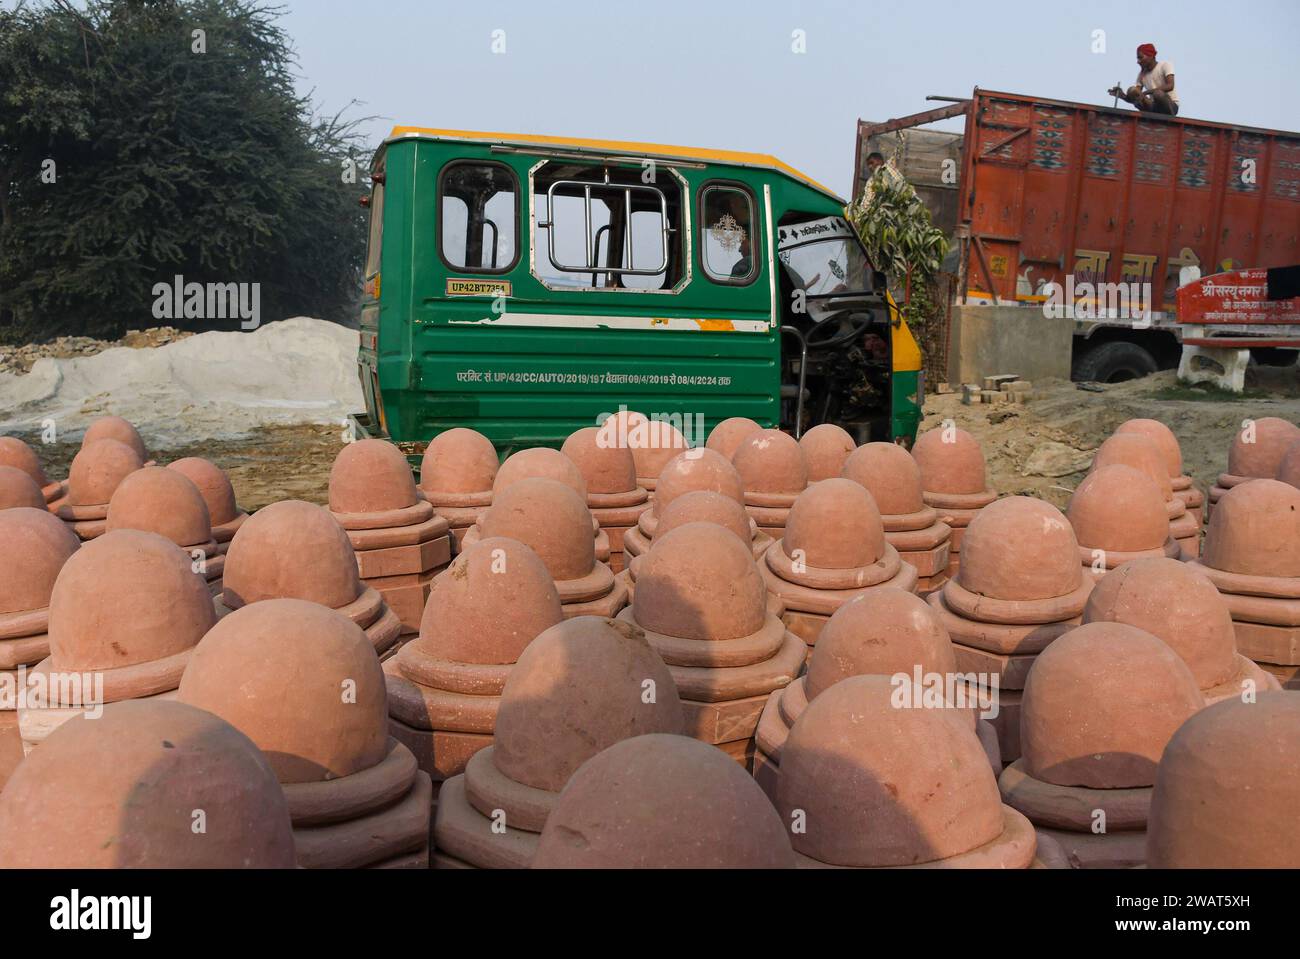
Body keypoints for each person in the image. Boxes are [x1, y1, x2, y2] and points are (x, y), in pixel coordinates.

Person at [1109, 43, 1178, 115]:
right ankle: (1150, 115)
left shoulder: (1165, 65)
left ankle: (1169, 117)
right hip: (1154, 107)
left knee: (1158, 94)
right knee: (1132, 90)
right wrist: (1122, 95)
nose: (1138, 61)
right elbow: (1136, 97)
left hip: (1170, 105)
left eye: (1140, 57)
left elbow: (1170, 86)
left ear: (1151, 56)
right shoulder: (1142, 74)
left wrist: (1146, 92)